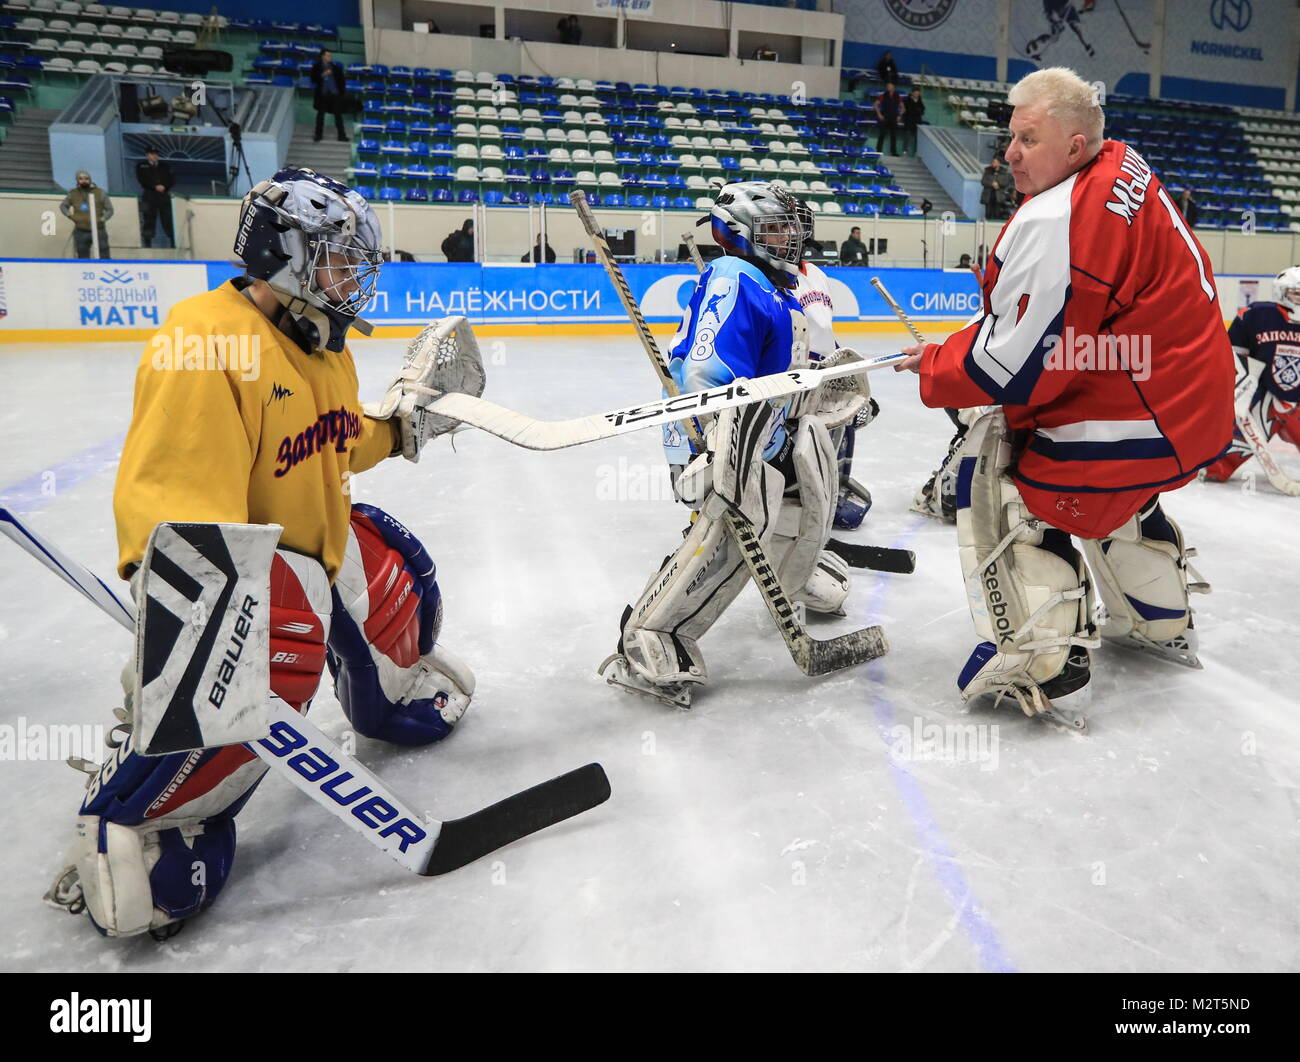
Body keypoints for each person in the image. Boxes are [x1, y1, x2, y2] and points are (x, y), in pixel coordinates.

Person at [43, 168, 478, 938]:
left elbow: (332, 442)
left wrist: (403, 429)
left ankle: (381, 689)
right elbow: (184, 524)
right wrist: (203, 639)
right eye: (339, 257)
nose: (355, 276)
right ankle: (145, 803)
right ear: (284, 254)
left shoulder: (321, 341)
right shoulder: (202, 339)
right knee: (279, 622)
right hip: (245, 575)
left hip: (313, 556)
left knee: (385, 564)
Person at [893, 67, 1234, 724]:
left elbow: (1014, 369)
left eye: (1028, 140)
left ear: (1074, 146)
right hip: (1192, 402)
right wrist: (965, 344)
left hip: (1145, 413)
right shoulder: (1120, 166)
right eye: (1010, 137)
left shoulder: (1060, 215)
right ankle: (1158, 622)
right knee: (1122, 497)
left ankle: (1041, 653)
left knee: (1007, 477)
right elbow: (1059, 322)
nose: (1009, 155)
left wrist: (937, 371)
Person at [599, 181, 858, 707]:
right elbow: (703, 370)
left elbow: (780, 371)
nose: (789, 239)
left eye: (791, 228)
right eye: (776, 229)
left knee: (805, 497)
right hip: (724, 437)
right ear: (740, 234)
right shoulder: (735, 276)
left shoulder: (772, 287)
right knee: (738, 524)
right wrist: (716, 448)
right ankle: (654, 632)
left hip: (766, 432)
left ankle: (791, 575)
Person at [790, 198, 878, 530]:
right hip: (794, 377)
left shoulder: (815, 274)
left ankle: (834, 490)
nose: (792, 233)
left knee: (849, 416)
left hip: (824, 371)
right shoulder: (768, 277)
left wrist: (845, 371)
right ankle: (803, 497)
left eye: (796, 226)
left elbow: (825, 331)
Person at [1201, 267, 1300, 496]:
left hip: (1296, 404)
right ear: (1281, 293)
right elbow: (1234, 357)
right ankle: (1216, 467)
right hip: (1263, 400)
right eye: (1297, 294)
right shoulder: (1257, 315)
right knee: (1227, 455)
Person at [60, 170, 113, 259]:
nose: (84, 181)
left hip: (99, 229)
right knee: (82, 255)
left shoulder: (100, 192)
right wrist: (70, 216)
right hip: (81, 230)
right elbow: (63, 206)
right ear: (77, 180)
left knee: (104, 254)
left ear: (90, 179)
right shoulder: (73, 193)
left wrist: (102, 219)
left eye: (86, 178)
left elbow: (110, 210)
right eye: (80, 179)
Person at [135, 146, 174, 249]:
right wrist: (154, 186)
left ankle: (173, 242)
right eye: (152, 153)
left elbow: (171, 179)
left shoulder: (165, 166)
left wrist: (164, 186)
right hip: (148, 196)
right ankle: (147, 244)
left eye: (156, 153)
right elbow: (142, 180)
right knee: (148, 220)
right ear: (147, 155)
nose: (154, 156)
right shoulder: (141, 165)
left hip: (164, 196)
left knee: (168, 220)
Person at [310, 48, 348, 143]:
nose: (330, 57)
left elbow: (342, 82)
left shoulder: (336, 68)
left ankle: (341, 135)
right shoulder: (316, 67)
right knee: (320, 115)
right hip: (323, 95)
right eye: (328, 55)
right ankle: (318, 135)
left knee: (338, 115)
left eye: (330, 55)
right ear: (323, 56)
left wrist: (341, 94)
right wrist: (323, 74)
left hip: (335, 94)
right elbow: (313, 79)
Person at [874, 83, 902, 156]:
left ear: (894, 87)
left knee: (894, 136)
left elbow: (903, 107)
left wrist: (899, 115)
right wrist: (879, 114)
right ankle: (878, 150)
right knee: (882, 134)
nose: (889, 88)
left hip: (894, 118)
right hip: (885, 117)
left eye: (890, 86)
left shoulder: (897, 96)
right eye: (888, 87)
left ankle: (894, 152)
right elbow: (875, 105)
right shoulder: (883, 96)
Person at [980, 155, 1012, 221]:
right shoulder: (987, 171)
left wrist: (998, 184)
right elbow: (983, 181)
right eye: (992, 162)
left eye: (994, 162)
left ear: (999, 163)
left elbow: (1006, 182)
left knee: (997, 213)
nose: (993, 163)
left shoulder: (1004, 172)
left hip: (998, 196)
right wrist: (992, 184)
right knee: (988, 213)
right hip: (988, 195)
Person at [901, 86, 926, 156]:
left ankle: (916, 152)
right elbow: (909, 110)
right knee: (907, 137)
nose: (916, 95)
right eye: (915, 94)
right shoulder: (907, 101)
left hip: (917, 122)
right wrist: (917, 110)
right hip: (909, 121)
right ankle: (904, 151)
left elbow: (922, 110)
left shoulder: (920, 101)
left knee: (917, 138)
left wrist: (917, 111)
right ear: (912, 93)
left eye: (918, 94)